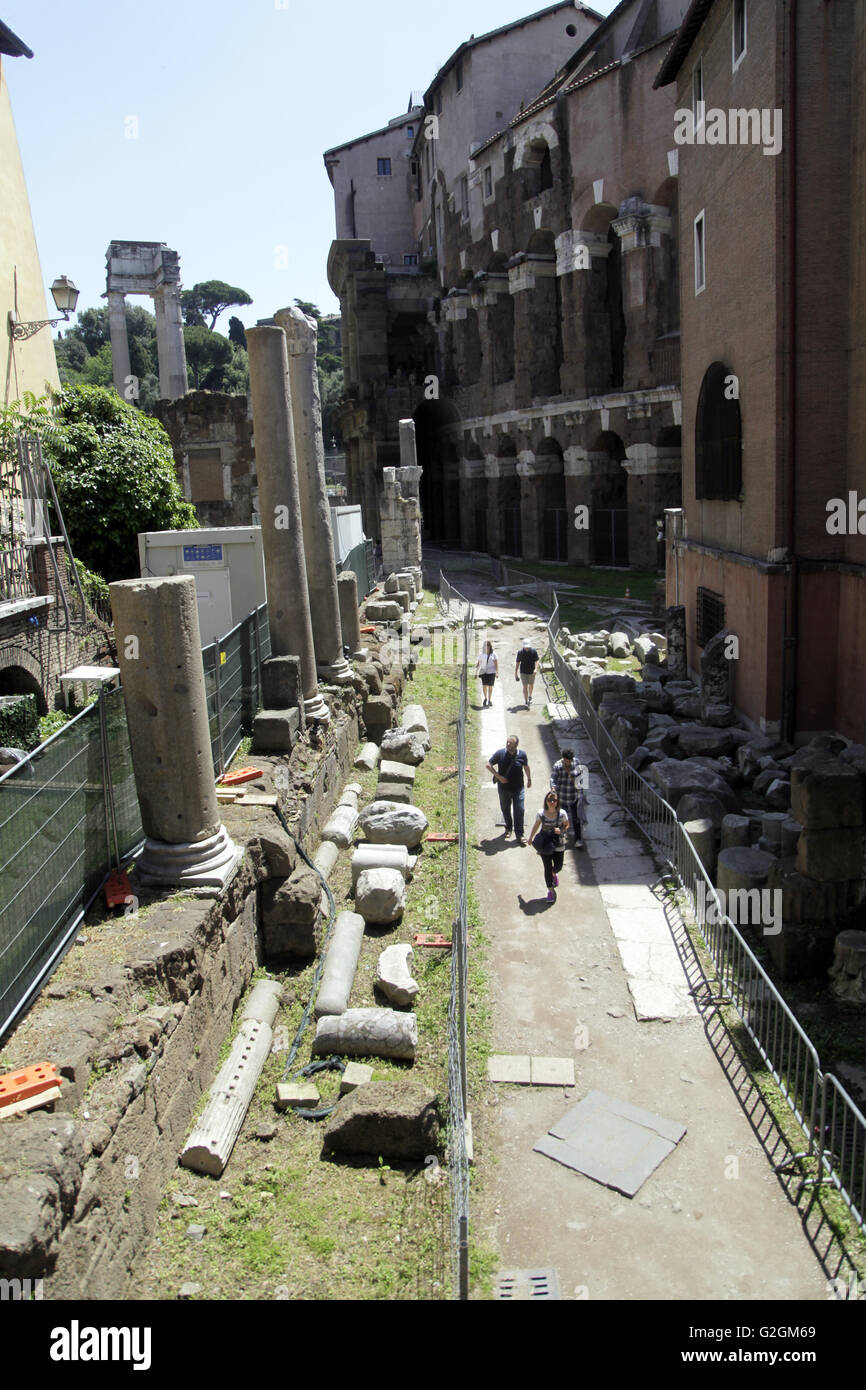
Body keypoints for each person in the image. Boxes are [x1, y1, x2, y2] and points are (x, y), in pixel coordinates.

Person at [486, 734, 532, 843]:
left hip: (518, 788)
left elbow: (526, 766)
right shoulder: (500, 753)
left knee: (519, 809)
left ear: (516, 745)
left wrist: (529, 779)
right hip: (504, 789)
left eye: (510, 743)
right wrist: (499, 777)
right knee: (505, 809)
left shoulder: (522, 754)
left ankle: (520, 834)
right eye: (507, 742)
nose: (507, 744)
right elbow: (488, 765)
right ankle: (508, 828)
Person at [528, 790, 570, 902]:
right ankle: (550, 891)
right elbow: (536, 825)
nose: (552, 802)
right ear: (546, 801)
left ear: (557, 801)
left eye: (554, 800)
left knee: (558, 866)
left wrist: (561, 830)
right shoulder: (541, 813)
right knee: (547, 867)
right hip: (545, 843)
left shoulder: (562, 813)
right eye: (549, 800)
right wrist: (530, 837)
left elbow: (567, 825)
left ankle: (554, 873)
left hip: (558, 842)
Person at [550, 748, 589, 848]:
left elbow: (582, 778)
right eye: (567, 761)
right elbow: (553, 779)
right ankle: (559, 838)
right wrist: (553, 788)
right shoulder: (557, 766)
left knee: (576, 819)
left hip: (574, 796)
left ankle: (578, 839)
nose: (569, 763)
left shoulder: (577, 763)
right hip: (562, 797)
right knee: (560, 818)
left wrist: (582, 793)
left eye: (570, 760)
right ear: (563, 759)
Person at [515, 640, 540, 708]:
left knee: (531, 685)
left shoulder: (533, 651)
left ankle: (530, 696)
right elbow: (518, 662)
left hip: (532, 672)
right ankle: (526, 701)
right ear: (523, 646)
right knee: (525, 686)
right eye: (526, 647)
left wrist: (536, 669)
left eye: (528, 647)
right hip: (523, 672)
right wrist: (516, 673)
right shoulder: (520, 652)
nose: (527, 648)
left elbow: (537, 660)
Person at [476, 641, 498, 708]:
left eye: (488, 645)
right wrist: (476, 672)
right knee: (484, 685)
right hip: (484, 672)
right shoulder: (481, 654)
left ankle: (489, 700)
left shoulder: (493, 654)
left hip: (491, 672)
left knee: (490, 686)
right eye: (485, 646)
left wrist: (497, 672)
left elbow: (496, 664)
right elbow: (478, 663)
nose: (487, 647)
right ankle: (485, 698)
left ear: (490, 646)